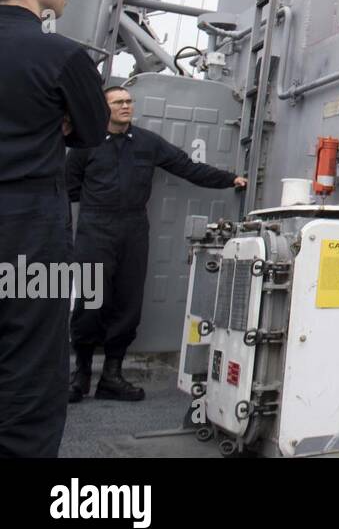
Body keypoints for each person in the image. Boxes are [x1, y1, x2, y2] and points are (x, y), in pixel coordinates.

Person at [66, 87, 246, 403]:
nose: (126, 106)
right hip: (95, 228)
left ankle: (111, 376)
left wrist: (229, 179)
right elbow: (69, 187)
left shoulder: (147, 143)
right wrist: (101, 204)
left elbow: (187, 167)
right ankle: (79, 375)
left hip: (134, 228)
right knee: (90, 302)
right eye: (118, 102)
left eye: (128, 101)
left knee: (128, 302)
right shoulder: (85, 144)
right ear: (103, 108)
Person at [0, 0, 108, 457]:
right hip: (26, 228)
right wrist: (56, 120)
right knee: (29, 364)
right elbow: (91, 132)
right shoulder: (63, 55)